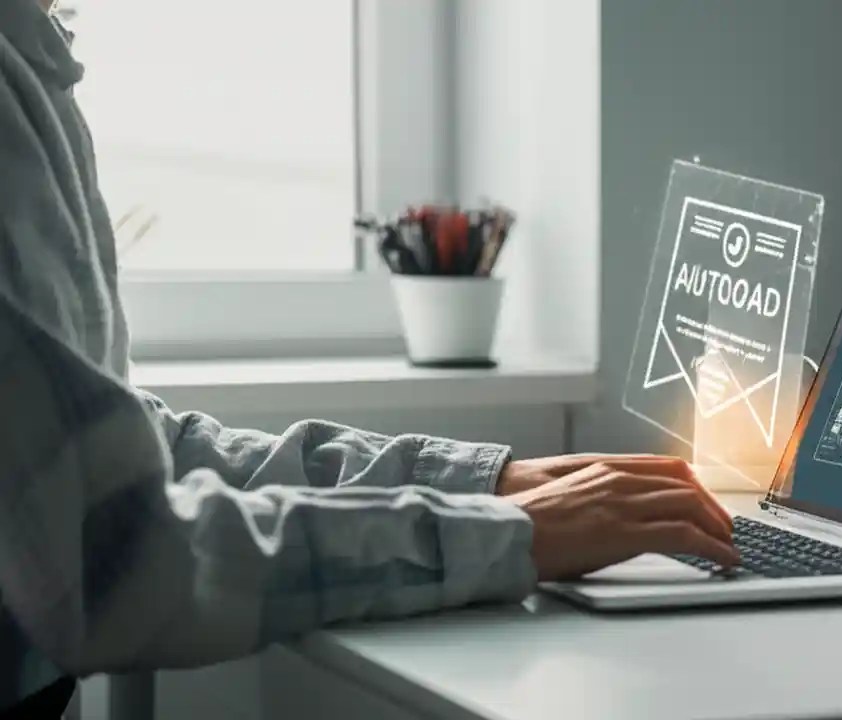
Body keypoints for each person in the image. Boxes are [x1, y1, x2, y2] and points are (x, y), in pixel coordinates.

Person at [0, 2, 739, 716]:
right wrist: (505, 533)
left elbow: (123, 453)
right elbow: (113, 563)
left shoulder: (28, 55)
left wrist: (480, 481)